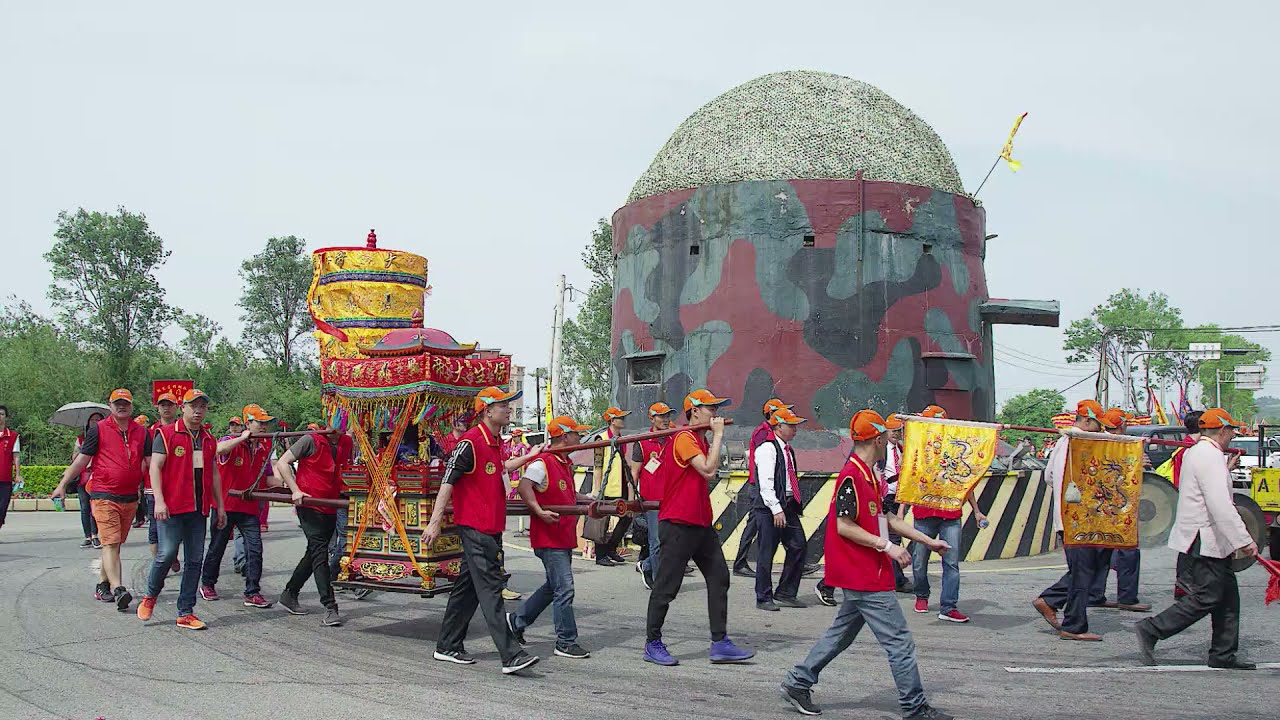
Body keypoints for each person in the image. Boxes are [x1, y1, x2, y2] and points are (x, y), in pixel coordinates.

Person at [781, 410, 953, 720]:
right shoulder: (852, 476)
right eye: (888, 434)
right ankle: (915, 709)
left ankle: (798, 681)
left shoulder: (868, 473)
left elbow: (886, 518)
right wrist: (887, 546)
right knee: (899, 642)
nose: (892, 437)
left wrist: (927, 542)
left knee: (841, 634)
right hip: (863, 573)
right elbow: (844, 525)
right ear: (877, 439)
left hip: (864, 572)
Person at [422, 386, 541, 674]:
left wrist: (530, 456)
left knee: (468, 589)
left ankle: (447, 645)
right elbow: (448, 481)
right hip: (474, 527)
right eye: (504, 405)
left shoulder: (495, 442)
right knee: (490, 588)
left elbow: (501, 468)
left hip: (491, 527)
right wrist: (435, 520)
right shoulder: (470, 442)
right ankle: (510, 655)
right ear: (487, 410)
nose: (509, 409)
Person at [1135, 408, 1259, 669]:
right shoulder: (1209, 456)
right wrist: (1244, 540)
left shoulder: (1201, 452)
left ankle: (1223, 653)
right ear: (1223, 430)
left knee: (1227, 597)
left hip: (1208, 535)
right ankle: (1153, 628)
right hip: (1205, 536)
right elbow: (1221, 505)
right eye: (1232, 431)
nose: (1233, 436)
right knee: (1208, 596)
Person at [643, 388, 754, 667]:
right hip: (678, 523)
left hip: (701, 523)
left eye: (716, 409)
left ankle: (720, 643)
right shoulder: (683, 438)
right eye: (710, 409)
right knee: (667, 587)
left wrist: (712, 437)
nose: (715, 414)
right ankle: (652, 642)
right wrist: (718, 436)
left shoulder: (700, 440)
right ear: (694, 411)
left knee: (719, 578)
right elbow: (708, 470)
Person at [506, 415, 595, 660]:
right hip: (549, 537)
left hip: (562, 536)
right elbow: (524, 486)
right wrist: (538, 511)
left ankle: (516, 621)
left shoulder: (563, 463)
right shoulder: (542, 463)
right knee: (564, 588)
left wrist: (589, 501)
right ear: (565, 437)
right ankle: (566, 640)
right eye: (576, 434)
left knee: (552, 587)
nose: (580, 438)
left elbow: (568, 495)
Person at [52, 389, 150, 610]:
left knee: (114, 545)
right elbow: (81, 461)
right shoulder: (99, 430)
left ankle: (102, 585)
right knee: (110, 542)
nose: (121, 406)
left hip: (129, 497)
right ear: (110, 406)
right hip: (103, 494)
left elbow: (151, 462)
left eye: (125, 403)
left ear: (131, 406)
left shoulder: (142, 433)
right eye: (117, 403)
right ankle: (118, 589)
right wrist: (63, 484)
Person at [136, 390, 226, 630]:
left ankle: (186, 611)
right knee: (166, 554)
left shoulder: (208, 438)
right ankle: (150, 596)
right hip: (172, 506)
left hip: (198, 509)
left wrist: (221, 506)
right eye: (193, 406)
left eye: (202, 407)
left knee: (195, 559)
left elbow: (214, 473)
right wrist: (160, 501)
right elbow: (155, 467)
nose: (197, 411)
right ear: (183, 408)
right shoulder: (165, 435)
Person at [1032, 399, 1115, 641]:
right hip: (1080, 520)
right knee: (1083, 572)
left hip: (1067, 518)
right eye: (1098, 424)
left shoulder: (1061, 442)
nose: (1101, 429)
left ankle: (1050, 600)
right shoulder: (1081, 443)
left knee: (1087, 569)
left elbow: (1048, 476)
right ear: (1087, 421)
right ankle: (1073, 624)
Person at [907, 405, 988, 623]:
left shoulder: (955, 449)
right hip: (924, 514)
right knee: (919, 560)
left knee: (951, 562)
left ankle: (948, 606)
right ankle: (921, 595)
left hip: (951, 515)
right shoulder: (917, 448)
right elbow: (909, 478)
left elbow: (965, 484)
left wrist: (977, 511)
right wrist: (899, 508)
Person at [274, 424, 354, 627]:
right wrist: (295, 490)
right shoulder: (311, 439)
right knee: (320, 552)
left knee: (314, 552)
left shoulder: (347, 441)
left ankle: (289, 593)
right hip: (309, 504)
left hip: (330, 505)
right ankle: (330, 606)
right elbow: (283, 463)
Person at [200, 404, 276, 608]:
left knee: (255, 549)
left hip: (249, 508)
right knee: (217, 546)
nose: (263, 427)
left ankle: (252, 592)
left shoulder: (263, 448)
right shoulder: (229, 441)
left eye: (266, 423)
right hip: (224, 505)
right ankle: (207, 583)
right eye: (259, 422)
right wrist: (243, 437)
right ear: (247, 423)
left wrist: (291, 483)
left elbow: (268, 479)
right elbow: (217, 449)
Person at [1087, 408, 1152, 613]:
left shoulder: (1111, 442)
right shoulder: (1116, 444)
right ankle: (1127, 597)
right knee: (1127, 552)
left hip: (1102, 506)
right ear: (1122, 424)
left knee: (1102, 550)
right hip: (1114, 506)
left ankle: (1095, 594)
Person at [753, 407, 809, 611]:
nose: (795, 429)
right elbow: (766, 483)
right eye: (791, 425)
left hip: (787, 505)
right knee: (766, 552)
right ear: (778, 427)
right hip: (770, 507)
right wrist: (776, 509)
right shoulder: (767, 449)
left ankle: (786, 591)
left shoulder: (786, 449)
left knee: (798, 546)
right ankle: (763, 596)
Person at [736, 398, 793, 578]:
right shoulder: (763, 434)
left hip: (771, 488)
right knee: (754, 525)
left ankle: (796, 556)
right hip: (760, 486)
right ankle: (740, 562)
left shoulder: (775, 435)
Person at [628, 402, 675, 589]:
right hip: (652, 500)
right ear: (652, 418)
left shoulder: (674, 438)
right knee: (656, 541)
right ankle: (659, 581)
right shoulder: (642, 442)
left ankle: (646, 565)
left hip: (671, 498)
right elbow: (634, 473)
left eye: (668, 416)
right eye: (661, 416)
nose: (665, 419)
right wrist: (632, 502)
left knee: (672, 541)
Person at [143, 393, 182, 568]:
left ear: (177, 407)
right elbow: (144, 460)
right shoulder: (149, 433)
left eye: (170, 404)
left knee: (178, 526)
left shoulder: (184, 429)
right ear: (157, 408)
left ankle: (170, 553)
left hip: (178, 487)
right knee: (155, 527)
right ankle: (159, 564)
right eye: (162, 405)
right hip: (153, 488)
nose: (166, 408)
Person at [594, 406, 634, 566]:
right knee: (602, 521)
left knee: (626, 517)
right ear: (611, 420)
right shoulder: (601, 438)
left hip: (621, 485)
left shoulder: (621, 438)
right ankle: (600, 555)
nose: (623, 420)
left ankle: (611, 548)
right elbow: (597, 466)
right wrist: (597, 489)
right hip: (607, 486)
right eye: (620, 418)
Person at [881, 417, 913, 594]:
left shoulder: (900, 450)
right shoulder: (881, 451)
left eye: (898, 431)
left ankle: (895, 578)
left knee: (892, 538)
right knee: (890, 538)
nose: (896, 434)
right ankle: (898, 580)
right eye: (892, 430)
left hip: (895, 498)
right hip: (884, 498)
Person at [74, 412, 104, 548]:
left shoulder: (105, 437)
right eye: (92, 420)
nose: (95, 422)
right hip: (83, 478)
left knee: (95, 507)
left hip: (98, 477)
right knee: (85, 507)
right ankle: (87, 536)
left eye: (98, 420)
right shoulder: (80, 439)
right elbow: (74, 458)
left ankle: (95, 535)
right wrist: (84, 449)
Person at [0, 405, 21, 533]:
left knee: (2, 509)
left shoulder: (13, 436)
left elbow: (16, 456)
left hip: (5, 479)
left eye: (2, 414)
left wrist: (18, 474)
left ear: (6, 417)